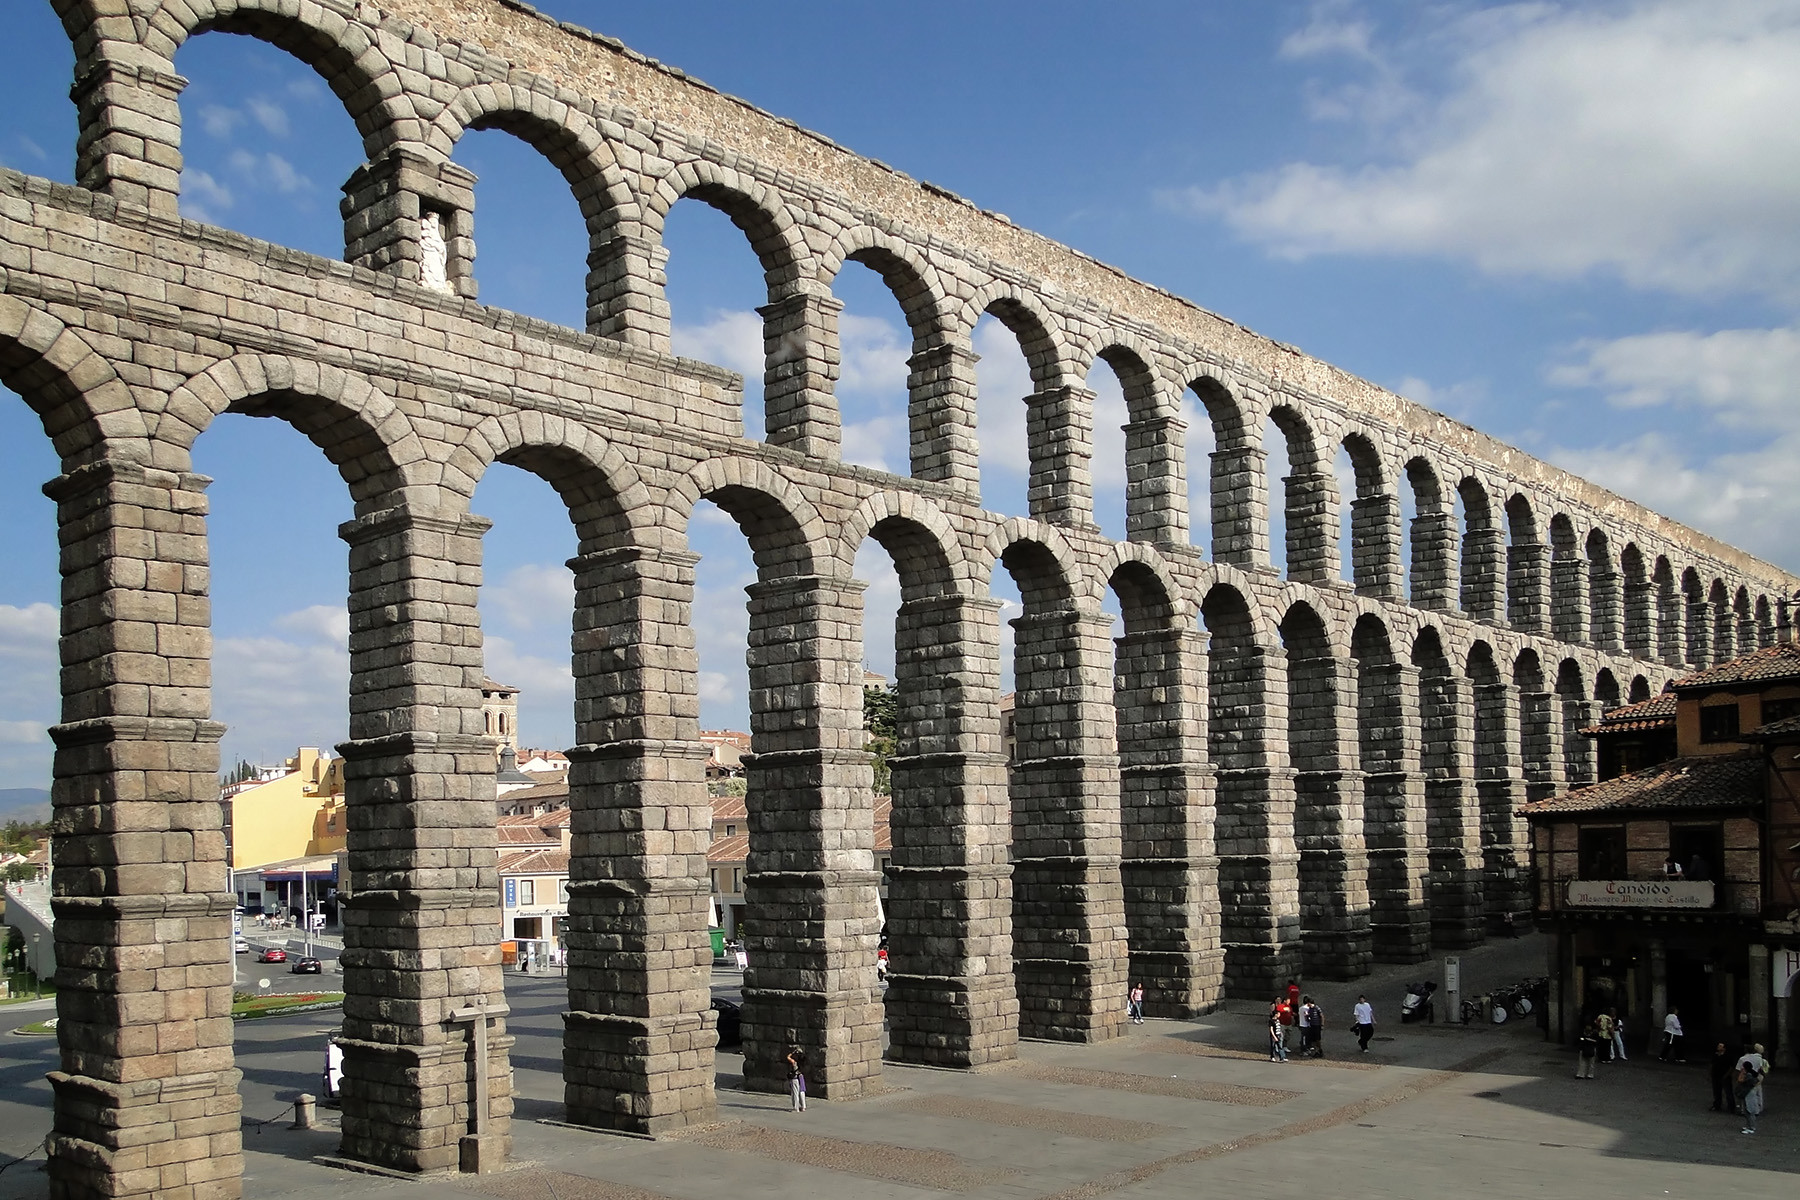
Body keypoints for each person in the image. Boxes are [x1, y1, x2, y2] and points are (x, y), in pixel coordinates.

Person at [1736, 1043, 1770, 1134]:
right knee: (1755, 1101)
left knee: (1749, 1108)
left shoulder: (1748, 1074)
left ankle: (1751, 1127)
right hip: (1754, 1086)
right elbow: (1764, 1073)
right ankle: (1750, 1124)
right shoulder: (1761, 1061)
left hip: (1748, 1090)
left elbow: (1740, 1079)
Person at [1711, 1042, 1740, 1114]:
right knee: (1717, 1091)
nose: (1718, 1047)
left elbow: (1731, 1067)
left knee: (1728, 1092)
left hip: (1725, 1076)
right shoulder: (1715, 1055)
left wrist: (1727, 1075)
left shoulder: (1728, 1056)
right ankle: (1717, 1105)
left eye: (1720, 1046)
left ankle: (1731, 1107)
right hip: (1716, 1076)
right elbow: (1712, 1064)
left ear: (1724, 1048)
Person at [786, 1046, 808, 1113]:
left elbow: (788, 1057)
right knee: (802, 1091)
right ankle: (803, 1106)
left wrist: (792, 1052)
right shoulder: (803, 1062)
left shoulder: (794, 1062)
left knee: (795, 1093)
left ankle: (796, 1108)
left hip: (795, 1078)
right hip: (801, 1077)